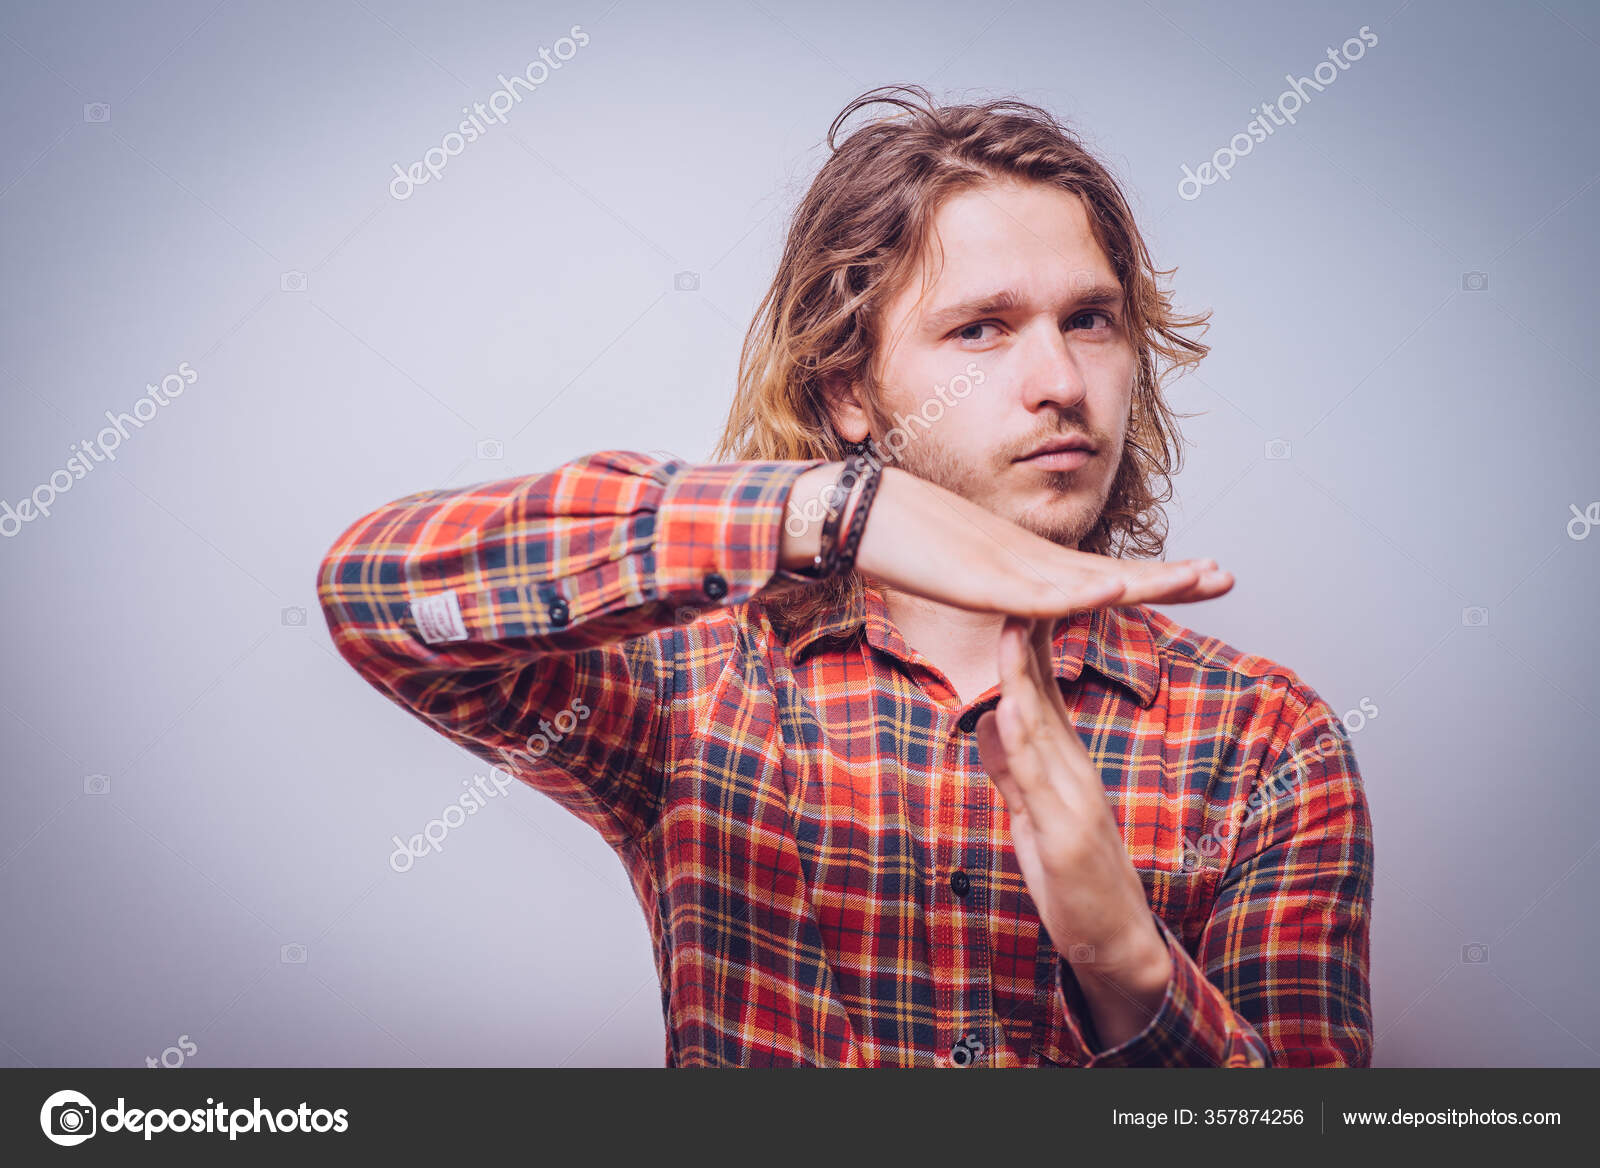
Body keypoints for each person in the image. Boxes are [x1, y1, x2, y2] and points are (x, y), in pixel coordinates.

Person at [317, 84, 1373, 1067]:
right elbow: (376, 594)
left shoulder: (1263, 740)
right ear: (850, 396)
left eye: (1088, 320)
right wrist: (820, 508)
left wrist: (1126, 963)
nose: (1058, 383)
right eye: (980, 329)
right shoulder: (700, 688)